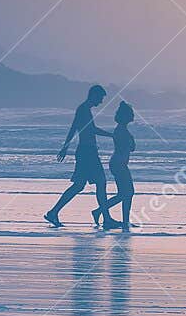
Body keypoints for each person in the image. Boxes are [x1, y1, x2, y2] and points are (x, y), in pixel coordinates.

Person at [44, 84, 112, 227]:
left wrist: (65, 147)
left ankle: (53, 212)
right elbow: (91, 129)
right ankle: (106, 219)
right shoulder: (84, 110)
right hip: (88, 153)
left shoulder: (82, 109)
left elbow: (73, 128)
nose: (101, 101)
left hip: (84, 152)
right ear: (94, 95)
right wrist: (112, 135)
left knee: (79, 185)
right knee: (100, 182)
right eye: (100, 98)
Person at [93, 101, 137, 231]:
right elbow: (131, 147)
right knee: (127, 193)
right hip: (119, 164)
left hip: (119, 163)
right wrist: (132, 140)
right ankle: (102, 211)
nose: (133, 116)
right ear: (126, 116)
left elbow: (130, 148)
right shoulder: (121, 131)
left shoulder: (122, 130)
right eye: (131, 114)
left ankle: (102, 212)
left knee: (125, 193)